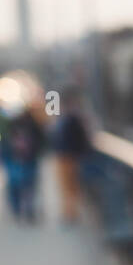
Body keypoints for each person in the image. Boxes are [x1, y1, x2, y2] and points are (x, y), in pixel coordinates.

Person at [52, 92, 91, 224]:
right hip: (66, 156)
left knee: (70, 187)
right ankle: (69, 213)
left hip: (69, 157)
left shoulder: (71, 120)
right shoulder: (69, 119)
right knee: (68, 187)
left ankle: (71, 214)